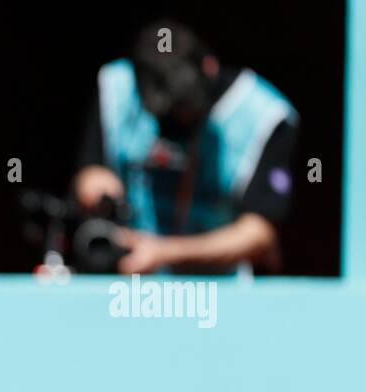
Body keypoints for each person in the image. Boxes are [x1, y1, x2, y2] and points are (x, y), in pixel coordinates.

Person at [73, 20, 298, 274]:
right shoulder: (116, 87)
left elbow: (259, 234)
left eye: (184, 115)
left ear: (209, 69)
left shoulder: (266, 116)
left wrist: (163, 251)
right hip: (129, 287)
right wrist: (98, 190)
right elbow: (90, 173)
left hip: (217, 296)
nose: (173, 130)